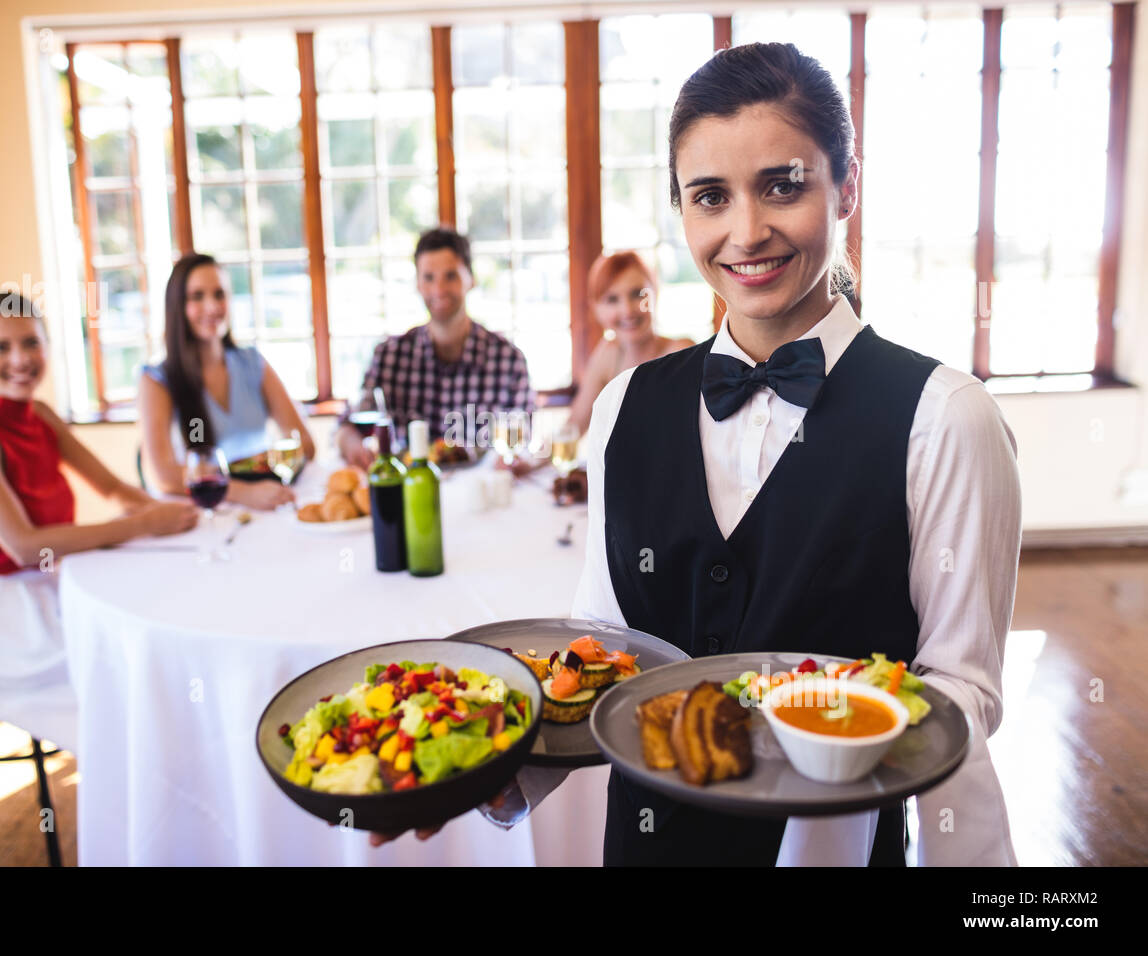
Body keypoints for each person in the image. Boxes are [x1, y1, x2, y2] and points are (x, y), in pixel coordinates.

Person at [384, 42, 1022, 864]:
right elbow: (605, 648)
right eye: (710, 196)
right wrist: (505, 771)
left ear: (847, 186)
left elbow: (961, 691)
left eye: (782, 185)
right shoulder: (623, 408)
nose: (746, 232)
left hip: (834, 845)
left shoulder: (947, 419)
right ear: (682, 210)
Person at [0, 292, 199, 752]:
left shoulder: (42, 416)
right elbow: (24, 547)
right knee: (130, 667)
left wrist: (184, 513)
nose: (20, 359)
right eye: (2, 347)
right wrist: (143, 524)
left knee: (155, 624)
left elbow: (114, 490)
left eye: (31, 343)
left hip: (51, 587)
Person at [335, 228, 535, 470]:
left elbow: (521, 441)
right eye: (429, 277)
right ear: (417, 284)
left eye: (450, 276)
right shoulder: (389, 357)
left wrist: (517, 460)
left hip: (483, 497)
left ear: (471, 279)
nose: (439, 289)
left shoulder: (508, 360)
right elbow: (346, 427)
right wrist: (353, 445)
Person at [138, 253, 316, 508]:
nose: (212, 307)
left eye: (219, 294)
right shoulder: (157, 380)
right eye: (197, 296)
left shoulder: (252, 363)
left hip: (264, 503)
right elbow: (163, 476)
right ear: (178, 306)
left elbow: (305, 444)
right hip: (205, 509)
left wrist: (248, 478)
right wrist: (242, 490)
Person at [565, 251, 695, 435]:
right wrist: (533, 459)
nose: (627, 310)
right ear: (595, 308)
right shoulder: (607, 353)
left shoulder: (681, 353)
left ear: (655, 293)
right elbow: (574, 425)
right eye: (612, 299)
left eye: (637, 294)